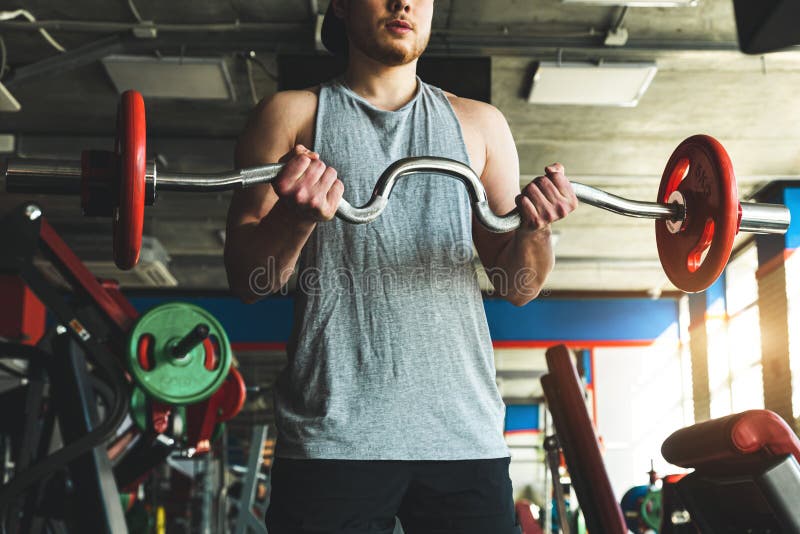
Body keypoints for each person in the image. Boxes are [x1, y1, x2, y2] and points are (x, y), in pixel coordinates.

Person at [224, 1, 578, 532]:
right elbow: (249, 280)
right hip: (332, 438)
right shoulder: (291, 117)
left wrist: (537, 230)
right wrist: (295, 222)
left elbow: (519, 285)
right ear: (339, 5)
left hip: (462, 436)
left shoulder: (480, 125)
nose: (403, 2)